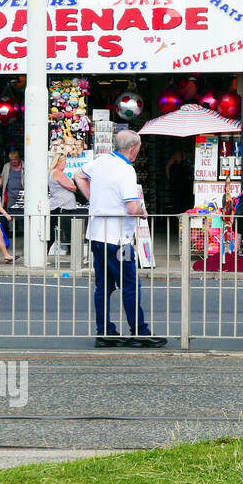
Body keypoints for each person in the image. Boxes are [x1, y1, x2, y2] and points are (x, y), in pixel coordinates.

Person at [75, 130, 164, 348]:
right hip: (118, 239)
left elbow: (78, 175)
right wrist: (142, 211)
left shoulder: (101, 161)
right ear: (133, 149)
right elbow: (132, 206)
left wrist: (93, 199)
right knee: (130, 284)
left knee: (103, 286)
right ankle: (139, 332)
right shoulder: (126, 171)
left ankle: (104, 331)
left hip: (97, 234)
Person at [47, 152, 80, 257]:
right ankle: (73, 256)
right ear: (59, 162)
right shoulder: (57, 173)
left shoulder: (54, 173)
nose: (65, 164)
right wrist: (76, 184)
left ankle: (71, 255)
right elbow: (72, 187)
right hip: (61, 208)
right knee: (69, 233)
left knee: (56, 234)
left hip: (61, 206)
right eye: (65, 162)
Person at [0, 149, 24, 239]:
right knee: (10, 213)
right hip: (10, 194)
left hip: (22, 194)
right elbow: (2, 179)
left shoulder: (24, 165)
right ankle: (11, 232)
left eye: (15, 159)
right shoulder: (7, 166)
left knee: (22, 213)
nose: (13, 161)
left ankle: (22, 232)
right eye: (11, 160)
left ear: (19, 158)